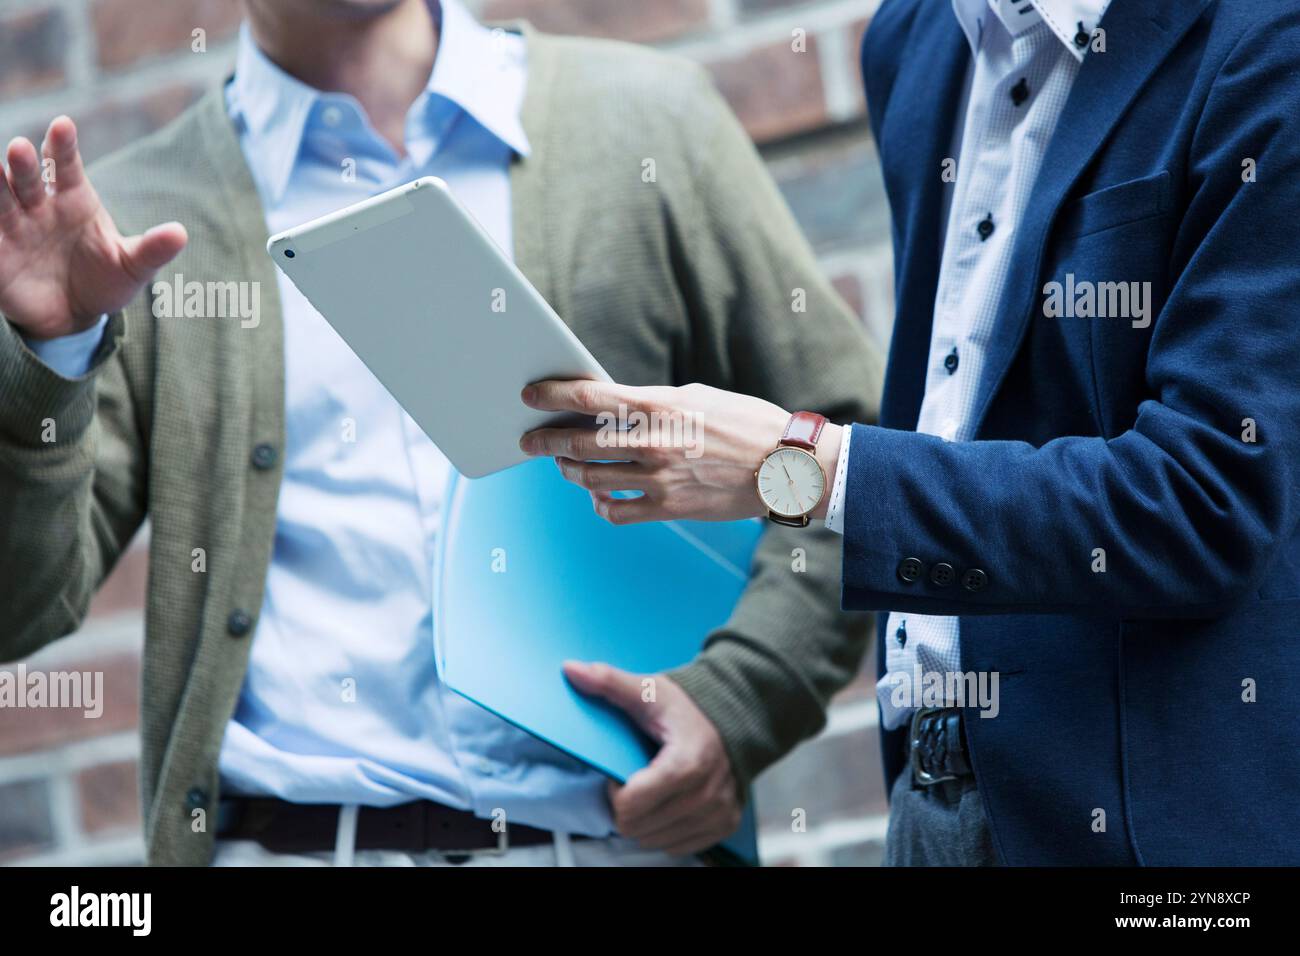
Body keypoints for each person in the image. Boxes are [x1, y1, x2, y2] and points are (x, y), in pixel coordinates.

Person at [0, 0, 883, 866]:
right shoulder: (134, 227)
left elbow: (845, 456)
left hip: (613, 842)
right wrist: (51, 353)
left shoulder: (646, 121)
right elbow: (23, 606)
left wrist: (739, 702)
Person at [522, 0, 1300, 865]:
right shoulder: (918, 38)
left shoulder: (1264, 35)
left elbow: (1209, 500)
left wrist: (803, 468)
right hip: (933, 807)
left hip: (1163, 839)